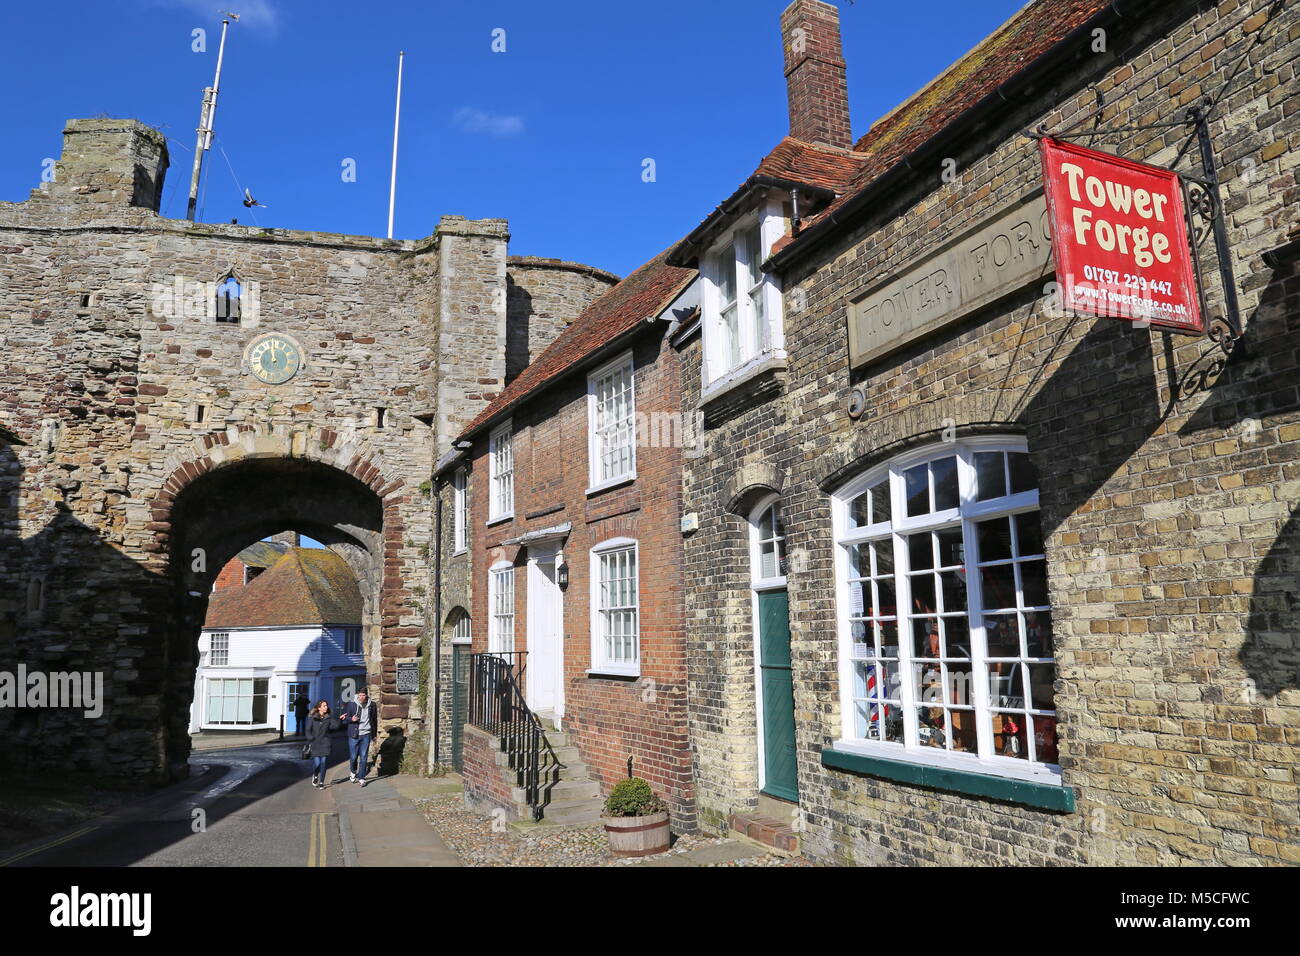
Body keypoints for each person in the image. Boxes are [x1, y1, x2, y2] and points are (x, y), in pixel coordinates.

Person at [339, 689, 378, 787]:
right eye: (360, 695)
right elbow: (345, 718)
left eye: (363, 695)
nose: (361, 697)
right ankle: (353, 771)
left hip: (366, 734)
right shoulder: (352, 704)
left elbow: (374, 720)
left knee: (364, 757)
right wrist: (351, 719)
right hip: (354, 735)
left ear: (367, 696)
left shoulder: (372, 705)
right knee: (353, 757)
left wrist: (374, 734)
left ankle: (361, 778)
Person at [304, 700, 339, 788]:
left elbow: (335, 727)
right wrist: (310, 738)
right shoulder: (313, 718)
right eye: (324, 706)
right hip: (315, 744)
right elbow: (308, 730)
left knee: (323, 763)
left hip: (325, 743)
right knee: (317, 764)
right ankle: (315, 774)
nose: (326, 707)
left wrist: (339, 719)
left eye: (326, 705)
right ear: (319, 708)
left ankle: (321, 782)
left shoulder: (328, 718)